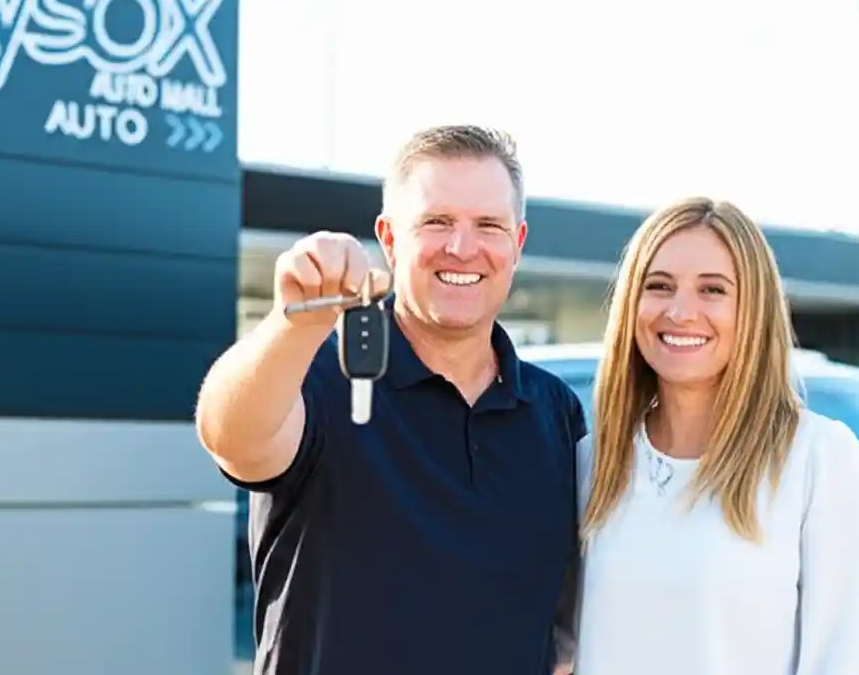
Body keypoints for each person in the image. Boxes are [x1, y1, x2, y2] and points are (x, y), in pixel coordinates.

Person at [195, 125, 586, 674]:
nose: (462, 247)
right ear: (390, 237)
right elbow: (231, 436)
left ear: (517, 244)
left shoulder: (556, 412)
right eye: (437, 221)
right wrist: (293, 324)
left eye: (488, 226)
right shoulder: (321, 376)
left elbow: (561, 619)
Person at [570, 197, 859, 674]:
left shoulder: (817, 458)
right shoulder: (592, 462)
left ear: (753, 310)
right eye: (659, 286)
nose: (680, 311)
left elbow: (839, 659)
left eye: (712, 290)